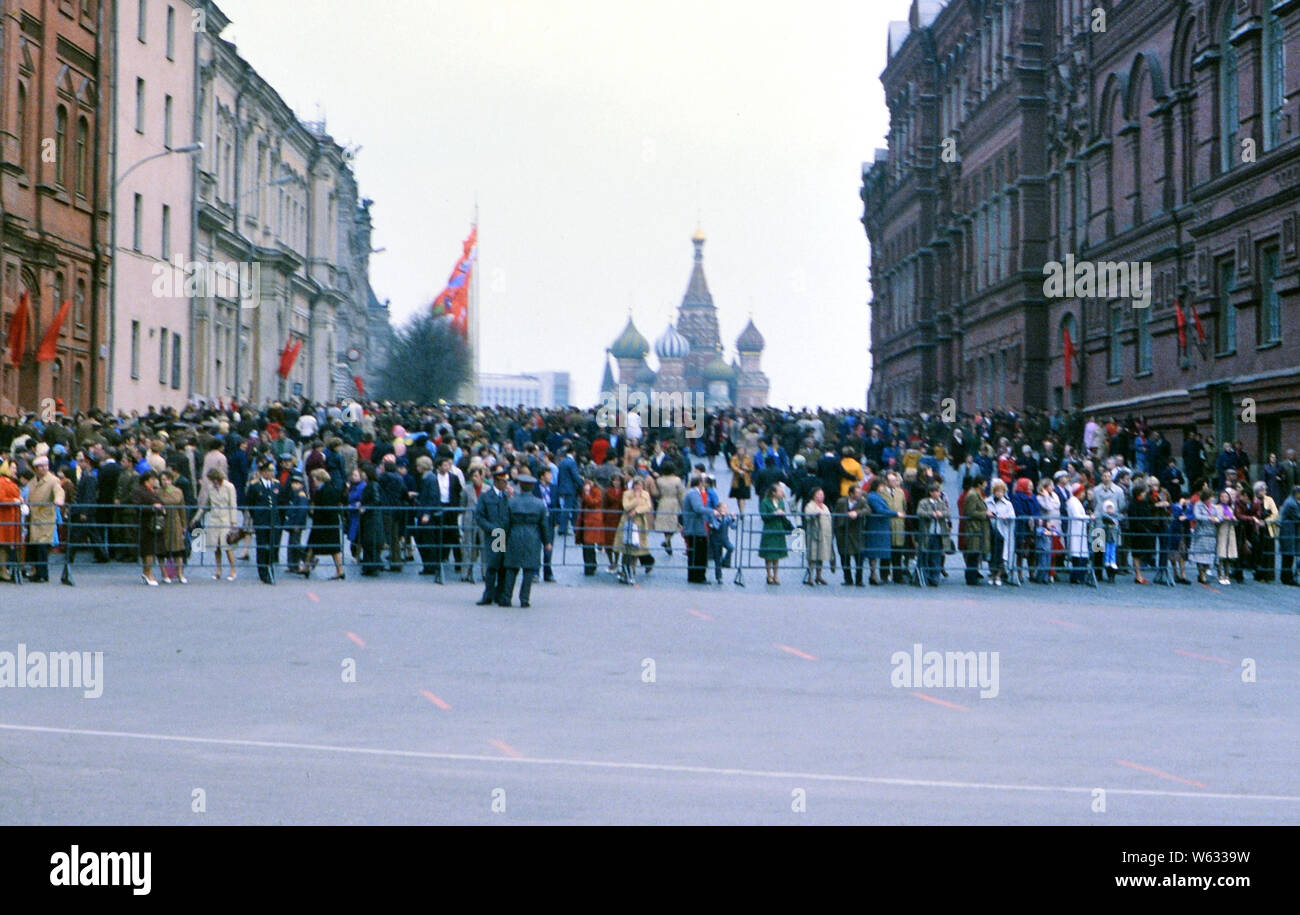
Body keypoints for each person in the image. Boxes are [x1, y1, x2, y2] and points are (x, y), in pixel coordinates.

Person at [502, 473, 550, 608]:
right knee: (528, 570)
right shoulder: (539, 504)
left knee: (511, 569)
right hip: (532, 537)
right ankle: (524, 599)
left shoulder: (511, 502)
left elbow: (504, 524)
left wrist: (498, 543)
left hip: (514, 535)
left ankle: (506, 598)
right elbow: (544, 525)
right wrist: (547, 542)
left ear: (521, 487)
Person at [475, 465, 512, 604]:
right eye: (504, 481)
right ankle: (488, 595)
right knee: (492, 566)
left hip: (506, 535)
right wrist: (492, 529)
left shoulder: (507, 496)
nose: (506, 484)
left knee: (503, 567)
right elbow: (479, 516)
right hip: (495, 535)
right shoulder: (486, 497)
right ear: (497, 481)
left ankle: (500, 594)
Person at [194, 468, 239, 581]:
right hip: (214, 520)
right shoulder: (210, 488)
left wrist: (234, 521)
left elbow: (233, 504)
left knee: (227, 546)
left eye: (213, 479)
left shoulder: (229, 487)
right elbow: (205, 505)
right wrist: (196, 518)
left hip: (225, 519)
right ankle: (218, 570)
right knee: (216, 547)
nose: (212, 482)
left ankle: (233, 570)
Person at [304, 468, 345, 580]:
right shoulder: (327, 488)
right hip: (325, 523)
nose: (313, 481)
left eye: (314, 479)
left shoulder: (327, 490)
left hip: (325, 523)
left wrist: (315, 513)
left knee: (329, 548)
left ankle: (339, 570)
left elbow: (327, 507)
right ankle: (306, 567)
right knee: (320, 546)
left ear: (319, 479)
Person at [246, 457, 281, 584]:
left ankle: (270, 567)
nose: (270, 474)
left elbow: (280, 501)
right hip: (261, 520)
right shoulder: (255, 486)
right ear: (261, 472)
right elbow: (250, 503)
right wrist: (256, 516)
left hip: (274, 520)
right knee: (262, 545)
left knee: (273, 545)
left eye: (271, 471)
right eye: (267, 471)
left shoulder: (276, 484)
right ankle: (262, 571)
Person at [614, 476, 653, 584]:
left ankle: (633, 568)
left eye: (640, 485)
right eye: (636, 485)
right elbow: (626, 506)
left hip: (640, 522)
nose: (638, 488)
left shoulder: (646, 494)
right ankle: (624, 570)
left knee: (637, 548)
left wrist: (636, 510)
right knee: (626, 547)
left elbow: (648, 506)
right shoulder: (627, 494)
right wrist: (636, 499)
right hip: (627, 522)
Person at [130, 470, 165, 586]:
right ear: (146, 480)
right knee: (148, 550)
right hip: (144, 522)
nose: (154, 482)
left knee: (150, 550)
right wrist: (152, 507)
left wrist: (160, 506)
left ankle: (146, 572)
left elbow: (159, 501)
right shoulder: (139, 491)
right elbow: (137, 506)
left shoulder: (152, 491)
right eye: (152, 480)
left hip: (153, 523)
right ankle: (148, 573)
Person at [157, 469, 190, 584]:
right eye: (163, 480)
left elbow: (181, 508)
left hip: (175, 522)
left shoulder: (176, 491)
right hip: (162, 523)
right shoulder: (158, 492)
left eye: (168, 479)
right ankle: (164, 573)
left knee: (178, 550)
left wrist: (184, 525)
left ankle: (180, 574)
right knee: (162, 550)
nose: (166, 482)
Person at [915, 480, 948, 587]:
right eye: (936, 492)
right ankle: (925, 577)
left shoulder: (941, 502)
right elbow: (919, 512)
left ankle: (935, 578)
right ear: (931, 492)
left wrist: (941, 513)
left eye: (939, 491)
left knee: (936, 557)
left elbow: (948, 512)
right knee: (925, 556)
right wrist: (931, 514)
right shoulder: (924, 502)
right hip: (927, 534)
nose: (938, 494)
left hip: (938, 534)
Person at [864, 477, 896, 586]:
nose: (883, 488)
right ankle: (873, 574)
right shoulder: (873, 497)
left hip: (879, 526)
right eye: (882, 486)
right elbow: (880, 510)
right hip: (876, 526)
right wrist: (895, 513)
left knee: (875, 552)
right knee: (874, 551)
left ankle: (874, 574)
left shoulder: (876, 496)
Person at [833, 484, 868, 586]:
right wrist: (836, 530)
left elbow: (867, 510)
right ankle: (848, 579)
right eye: (857, 493)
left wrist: (857, 513)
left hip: (856, 533)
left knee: (859, 557)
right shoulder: (841, 502)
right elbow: (835, 515)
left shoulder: (862, 502)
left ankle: (859, 579)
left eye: (860, 492)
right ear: (851, 494)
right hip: (843, 533)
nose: (859, 494)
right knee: (844, 557)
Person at [757, 482, 792, 585]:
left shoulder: (781, 502)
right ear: (773, 492)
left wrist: (788, 526)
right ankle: (769, 575)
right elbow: (764, 516)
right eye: (780, 491)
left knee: (776, 554)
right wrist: (774, 514)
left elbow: (784, 516)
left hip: (779, 529)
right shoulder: (765, 502)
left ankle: (776, 575)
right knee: (769, 554)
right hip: (769, 529)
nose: (782, 493)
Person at [682, 474, 714, 584]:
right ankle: (698, 576)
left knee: (696, 553)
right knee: (699, 553)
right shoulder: (694, 494)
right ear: (699, 483)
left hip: (695, 527)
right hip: (695, 528)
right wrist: (712, 511)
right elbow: (698, 508)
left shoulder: (694, 493)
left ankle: (695, 576)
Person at [958, 476, 989, 586]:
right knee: (973, 553)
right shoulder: (973, 495)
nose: (986, 485)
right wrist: (985, 514)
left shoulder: (976, 494)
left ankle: (973, 575)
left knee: (975, 554)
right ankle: (971, 578)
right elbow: (970, 512)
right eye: (985, 483)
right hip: (974, 528)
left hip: (977, 528)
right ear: (979, 484)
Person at [802, 487, 833, 586]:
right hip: (814, 534)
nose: (821, 496)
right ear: (814, 495)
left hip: (825, 534)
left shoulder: (825, 506)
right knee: (813, 556)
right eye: (819, 494)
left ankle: (819, 576)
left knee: (821, 555)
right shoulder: (810, 506)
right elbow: (808, 516)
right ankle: (810, 576)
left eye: (822, 494)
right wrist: (815, 515)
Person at [575, 477, 605, 576]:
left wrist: (587, 493)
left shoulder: (597, 491)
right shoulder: (585, 490)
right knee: (586, 544)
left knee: (589, 544)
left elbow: (593, 503)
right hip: (585, 519)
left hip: (592, 521)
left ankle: (590, 566)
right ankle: (590, 564)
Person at [653, 461, 685, 556]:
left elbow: (657, 493)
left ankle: (667, 542)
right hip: (673, 502)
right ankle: (668, 540)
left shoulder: (659, 480)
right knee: (674, 523)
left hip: (663, 501)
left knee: (665, 524)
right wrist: (683, 505)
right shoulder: (677, 480)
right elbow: (681, 494)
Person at [1188, 485, 1218, 584]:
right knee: (1200, 554)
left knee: (1208, 554)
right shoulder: (1198, 505)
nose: (1213, 499)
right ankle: (1202, 574)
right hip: (1201, 531)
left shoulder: (1214, 506)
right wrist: (1208, 518)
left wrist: (1217, 519)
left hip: (1211, 532)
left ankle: (1204, 572)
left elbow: (1218, 515)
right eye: (1211, 497)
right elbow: (1197, 515)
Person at [0, 461, 23, 582]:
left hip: (11, 517)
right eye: (13, 467)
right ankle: (3, 571)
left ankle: (4, 570)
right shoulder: (2, 482)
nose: (15, 470)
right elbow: (1, 498)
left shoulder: (9, 481)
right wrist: (14, 500)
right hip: (5, 517)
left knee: (6, 545)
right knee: (4, 545)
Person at [1213, 489, 1238, 585]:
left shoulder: (1230, 508)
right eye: (1222, 496)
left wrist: (1233, 519)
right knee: (1221, 554)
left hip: (1230, 532)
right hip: (1221, 532)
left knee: (1228, 555)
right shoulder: (1216, 507)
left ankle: (1227, 575)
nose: (1224, 498)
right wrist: (1223, 518)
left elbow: (1235, 522)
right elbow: (1215, 520)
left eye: (1226, 497)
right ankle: (1220, 575)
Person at [708, 501, 736, 584]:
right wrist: (720, 518)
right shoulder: (714, 516)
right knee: (717, 559)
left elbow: (733, 526)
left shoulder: (727, 517)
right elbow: (716, 527)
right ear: (717, 509)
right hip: (715, 539)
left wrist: (733, 519)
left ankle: (725, 561)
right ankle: (719, 577)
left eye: (726, 508)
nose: (724, 510)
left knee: (731, 548)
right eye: (723, 508)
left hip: (724, 538)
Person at [1278, 484, 1300, 586]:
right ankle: (1287, 577)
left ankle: (1287, 576)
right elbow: (1298, 517)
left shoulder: (1292, 501)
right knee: (1288, 555)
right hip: (1288, 532)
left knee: (1288, 555)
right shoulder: (1292, 503)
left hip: (1289, 531)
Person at [728, 447, 754, 514]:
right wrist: (738, 471)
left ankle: (742, 512)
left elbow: (752, 468)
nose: (741, 452)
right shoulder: (734, 458)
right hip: (737, 479)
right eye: (739, 450)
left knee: (743, 497)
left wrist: (747, 468)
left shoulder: (748, 458)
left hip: (745, 480)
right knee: (738, 497)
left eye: (742, 450)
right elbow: (732, 466)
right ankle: (741, 510)